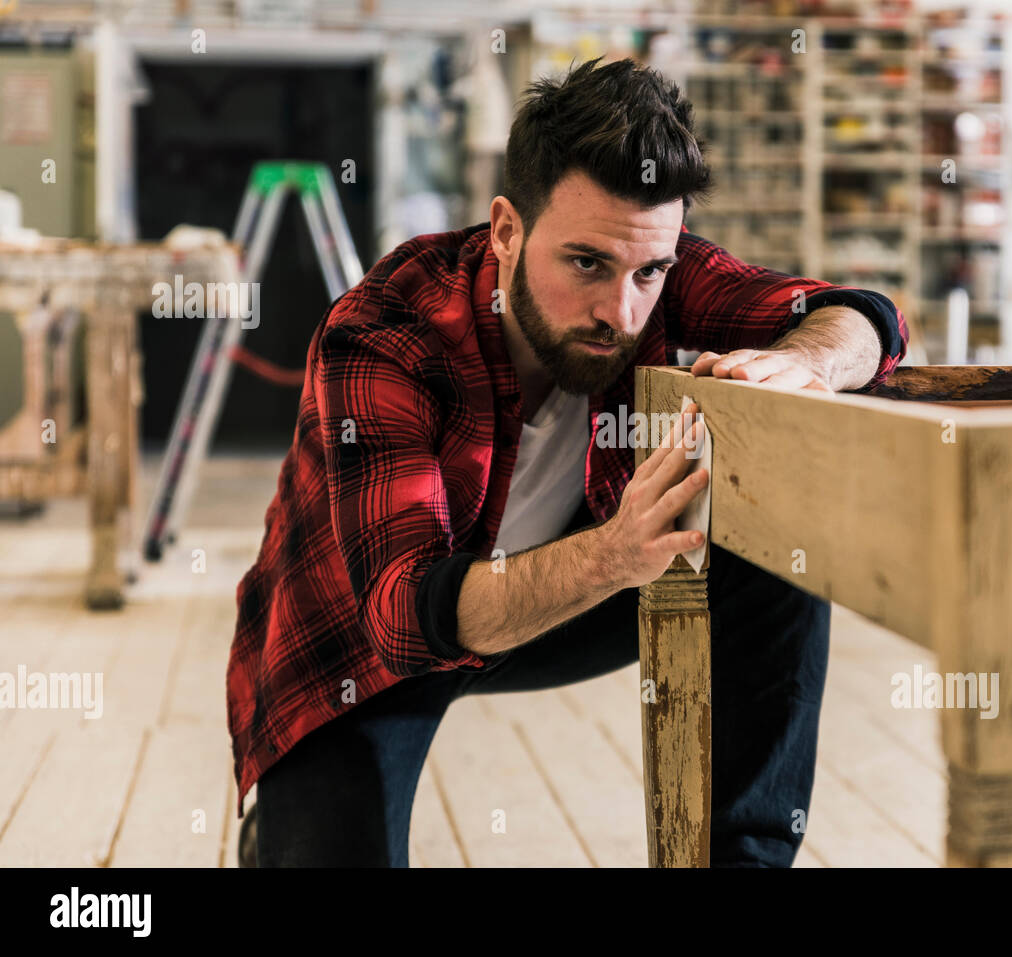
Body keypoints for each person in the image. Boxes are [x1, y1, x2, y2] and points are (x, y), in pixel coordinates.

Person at [227, 55, 908, 868]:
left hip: (556, 598)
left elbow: (861, 314)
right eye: (585, 263)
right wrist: (613, 554)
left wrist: (812, 363)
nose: (619, 311)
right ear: (507, 231)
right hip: (362, 645)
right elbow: (407, 616)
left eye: (650, 271)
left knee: (775, 526)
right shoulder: (385, 329)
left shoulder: (648, 267)